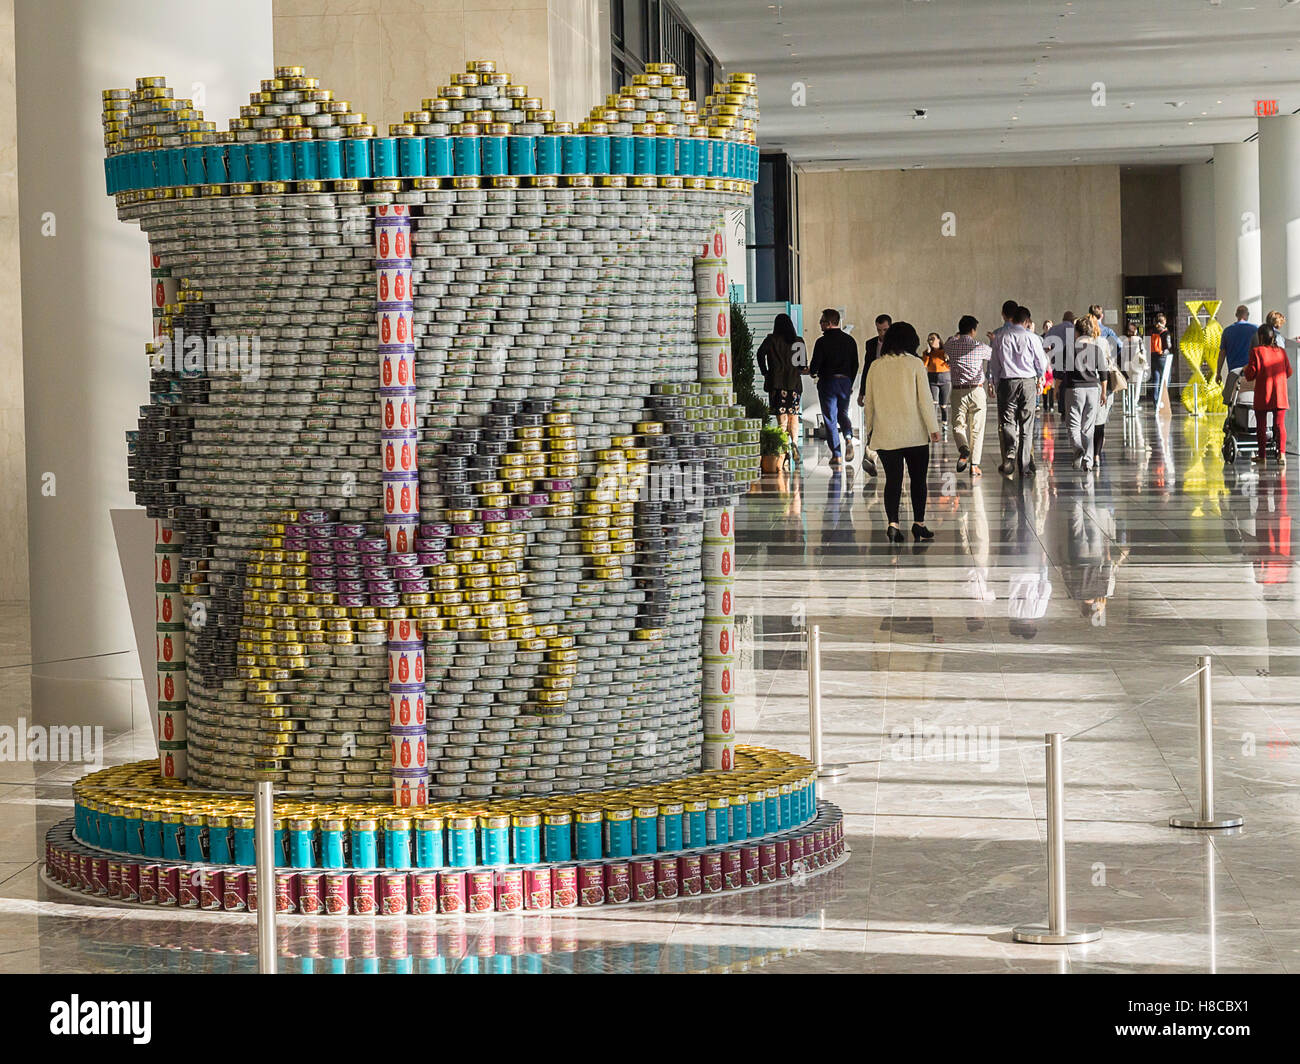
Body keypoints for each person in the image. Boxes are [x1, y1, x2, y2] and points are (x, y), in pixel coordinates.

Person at [861, 321, 941, 543]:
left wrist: (869, 431)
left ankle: (893, 524)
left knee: (893, 481)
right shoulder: (915, 364)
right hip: (914, 434)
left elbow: (870, 404)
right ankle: (919, 523)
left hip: (886, 435)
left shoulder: (876, 366)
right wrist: (933, 428)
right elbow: (925, 400)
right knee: (918, 480)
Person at [989, 305, 1047, 476]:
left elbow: (994, 363)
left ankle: (1011, 448)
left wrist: (995, 382)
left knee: (1007, 421)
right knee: (1026, 424)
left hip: (1008, 382)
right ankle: (1025, 465)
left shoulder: (999, 337)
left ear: (1011, 319)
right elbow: (1040, 362)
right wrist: (1040, 377)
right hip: (1028, 382)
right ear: (1027, 321)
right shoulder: (1033, 338)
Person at [808, 308, 858, 469]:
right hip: (845, 381)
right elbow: (855, 364)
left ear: (829, 323)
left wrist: (813, 372)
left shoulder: (821, 342)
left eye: (822, 321)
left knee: (830, 418)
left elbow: (816, 364)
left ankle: (837, 455)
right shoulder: (850, 341)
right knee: (843, 413)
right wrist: (850, 382)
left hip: (828, 382)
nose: (819, 324)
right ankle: (849, 437)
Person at [946, 315, 992, 477]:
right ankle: (974, 465)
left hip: (958, 391)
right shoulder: (979, 346)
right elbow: (993, 355)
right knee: (977, 429)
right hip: (977, 390)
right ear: (973, 330)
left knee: (958, 425)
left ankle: (963, 448)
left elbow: (947, 343)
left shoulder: (951, 345)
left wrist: (956, 336)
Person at [756, 313, 806, 461]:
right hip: (794, 383)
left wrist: (765, 372)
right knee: (794, 414)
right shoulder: (798, 341)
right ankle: (795, 443)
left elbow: (760, 354)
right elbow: (802, 365)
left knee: (782, 416)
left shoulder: (771, 340)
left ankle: (784, 448)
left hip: (777, 384)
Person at [1243, 322, 1293, 466]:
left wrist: (1246, 369)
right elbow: (1289, 372)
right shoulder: (1281, 352)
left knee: (1261, 425)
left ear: (1261, 337)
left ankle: (1262, 455)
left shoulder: (1257, 351)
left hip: (1263, 393)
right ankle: (1282, 454)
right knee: (1279, 425)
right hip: (1280, 393)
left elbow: (1251, 374)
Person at [1065, 314, 1106, 471]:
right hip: (1093, 389)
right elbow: (1103, 373)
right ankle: (1088, 461)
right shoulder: (1096, 350)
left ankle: (1078, 449)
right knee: (1088, 427)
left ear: (1076, 332)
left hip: (1074, 389)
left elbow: (1064, 372)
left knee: (1073, 425)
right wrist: (1103, 392)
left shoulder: (1070, 349)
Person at [854, 314, 892, 477]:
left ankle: (871, 455)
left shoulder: (897, 344)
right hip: (874, 390)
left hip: (891, 391)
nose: (882, 333)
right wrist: (862, 392)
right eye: (879, 330)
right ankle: (870, 457)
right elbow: (867, 369)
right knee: (874, 424)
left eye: (884, 330)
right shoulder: (871, 344)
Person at [1219, 304, 1256, 404]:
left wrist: (1218, 373)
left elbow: (1222, 353)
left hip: (1234, 373)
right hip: (1251, 372)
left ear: (1236, 315)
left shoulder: (1227, 331)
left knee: (1230, 402)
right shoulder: (1255, 330)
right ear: (1247, 315)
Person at [1045, 312, 1077, 416]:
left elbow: (1046, 346)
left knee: (1060, 382)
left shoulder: (1053, 329)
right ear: (1072, 320)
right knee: (1070, 383)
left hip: (1058, 360)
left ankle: (1062, 407)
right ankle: (1070, 406)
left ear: (1063, 319)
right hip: (1072, 360)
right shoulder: (1075, 329)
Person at [923, 332, 952, 432]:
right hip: (933, 379)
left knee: (943, 405)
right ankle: (933, 425)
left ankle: (944, 423)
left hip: (945, 379)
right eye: (929, 339)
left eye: (933, 339)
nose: (931, 341)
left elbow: (950, 364)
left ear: (938, 339)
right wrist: (927, 353)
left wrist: (947, 358)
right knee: (933, 402)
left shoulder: (944, 351)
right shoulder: (928, 353)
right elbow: (924, 365)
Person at [1149, 312, 1172, 406]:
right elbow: (1168, 345)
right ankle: (1163, 399)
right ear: (1164, 321)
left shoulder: (1152, 331)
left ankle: (1155, 401)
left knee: (1156, 379)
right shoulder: (1165, 332)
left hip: (1154, 357)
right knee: (1166, 378)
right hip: (1163, 357)